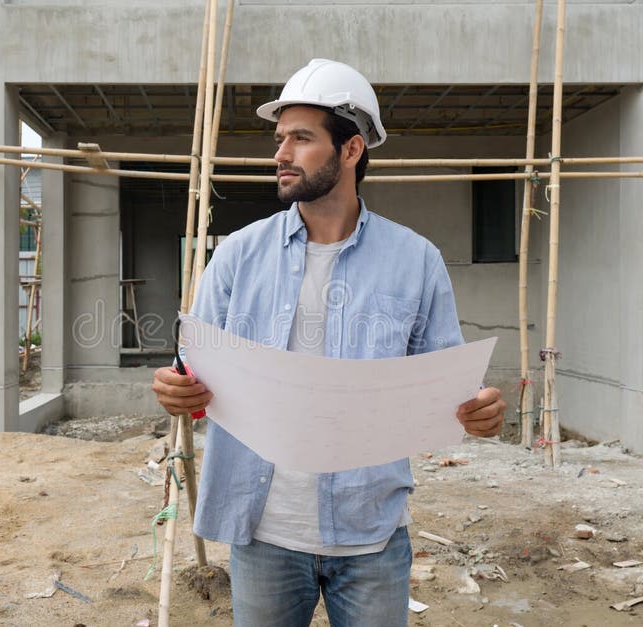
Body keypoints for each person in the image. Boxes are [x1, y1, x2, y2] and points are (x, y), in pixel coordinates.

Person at [152, 58, 505, 626]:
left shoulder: (415, 260)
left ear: (351, 150)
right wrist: (174, 388)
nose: (281, 153)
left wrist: (480, 408)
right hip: (264, 531)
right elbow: (192, 372)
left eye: (301, 138)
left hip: (371, 533)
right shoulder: (237, 255)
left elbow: (451, 386)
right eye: (280, 138)